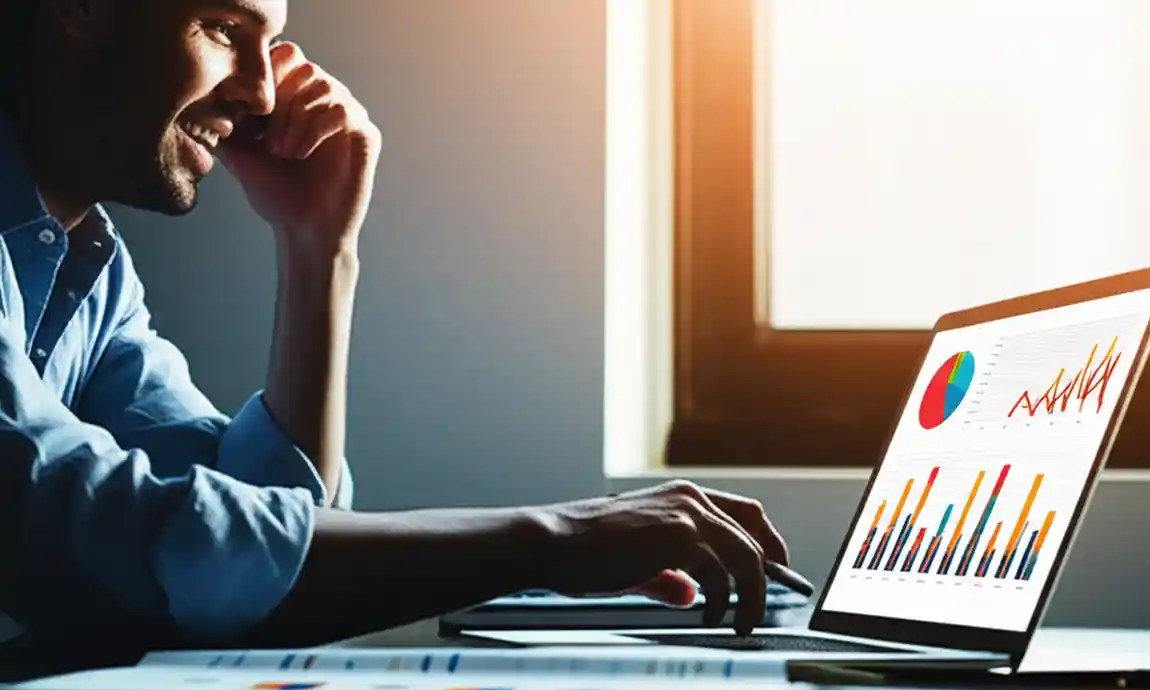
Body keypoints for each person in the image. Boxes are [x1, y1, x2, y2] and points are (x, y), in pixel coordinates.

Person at [0, 0, 792, 652]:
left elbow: (249, 548)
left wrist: (318, 249)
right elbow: (126, 534)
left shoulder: (86, 269)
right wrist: (554, 539)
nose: (262, 94)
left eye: (268, 44)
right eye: (225, 31)